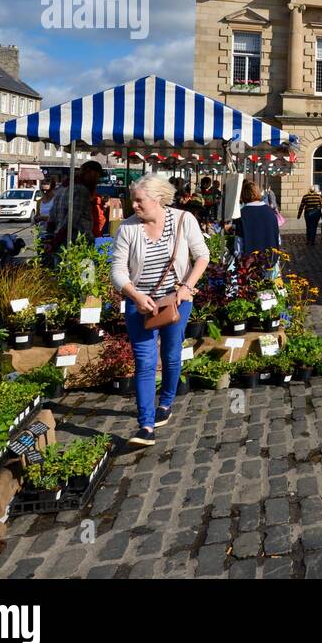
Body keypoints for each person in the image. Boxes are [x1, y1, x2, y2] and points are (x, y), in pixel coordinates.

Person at [110, 175, 210, 447]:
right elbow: (117, 270)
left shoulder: (182, 220)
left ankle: (166, 402)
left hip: (176, 302)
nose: (135, 205)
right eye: (134, 200)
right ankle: (145, 424)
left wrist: (187, 287)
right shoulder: (128, 229)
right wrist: (135, 295)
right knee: (144, 362)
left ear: (157, 199)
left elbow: (202, 255)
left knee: (171, 354)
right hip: (140, 304)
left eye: (139, 200)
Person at [46, 160, 104, 252]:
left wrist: (50, 238)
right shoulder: (81, 190)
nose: (97, 180)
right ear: (89, 172)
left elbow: (52, 216)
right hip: (76, 242)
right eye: (97, 175)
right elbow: (71, 220)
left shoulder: (62, 188)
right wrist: (55, 241)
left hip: (60, 240)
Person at [235, 179, 280, 257]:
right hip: (270, 259)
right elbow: (278, 239)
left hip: (250, 261)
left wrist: (240, 259)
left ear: (243, 194)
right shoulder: (270, 212)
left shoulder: (241, 214)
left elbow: (238, 244)